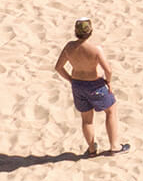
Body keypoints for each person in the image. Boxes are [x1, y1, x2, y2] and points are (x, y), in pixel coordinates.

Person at [54, 19, 127, 157]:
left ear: (76, 32)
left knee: (87, 119)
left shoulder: (69, 47)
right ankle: (115, 146)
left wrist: (71, 79)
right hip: (95, 84)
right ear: (90, 32)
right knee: (111, 111)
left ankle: (92, 149)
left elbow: (58, 67)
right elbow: (108, 70)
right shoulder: (95, 49)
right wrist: (109, 82)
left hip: (78, 85)